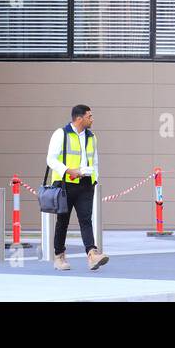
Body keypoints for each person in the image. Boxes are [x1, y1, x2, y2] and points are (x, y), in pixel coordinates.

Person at [46, 104, 109, 272]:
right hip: (65, 185)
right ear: (79, 118)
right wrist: (68, 171)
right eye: (89, 116)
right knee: (63, 222)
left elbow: (94, 160)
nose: (92, 119)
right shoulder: (61, 134)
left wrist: (94, 180)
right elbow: (51, 159)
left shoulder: (92, 137)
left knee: (86, 220)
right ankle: (59, 257)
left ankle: (92, 255)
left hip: (86, 184)